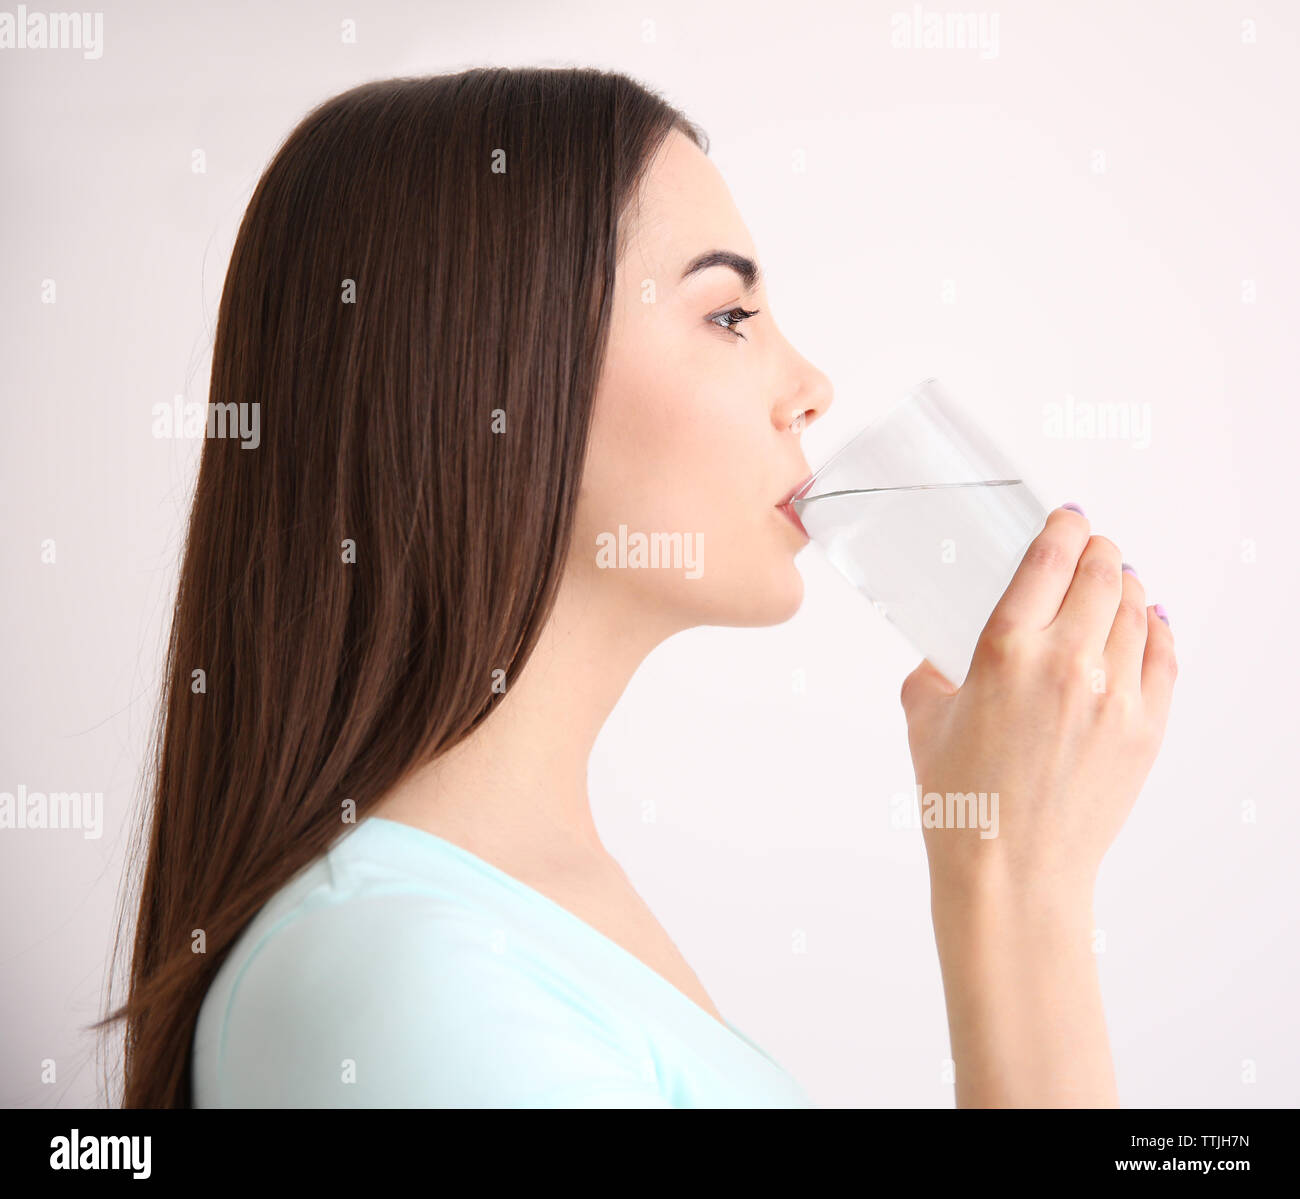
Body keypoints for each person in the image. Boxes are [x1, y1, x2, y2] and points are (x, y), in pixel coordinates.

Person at [99, 67, 1176, 1108]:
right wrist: (1015, 888)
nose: (810, 387)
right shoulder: (404, 978)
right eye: (728, 315)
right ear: (500, 376)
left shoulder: (510, 919)